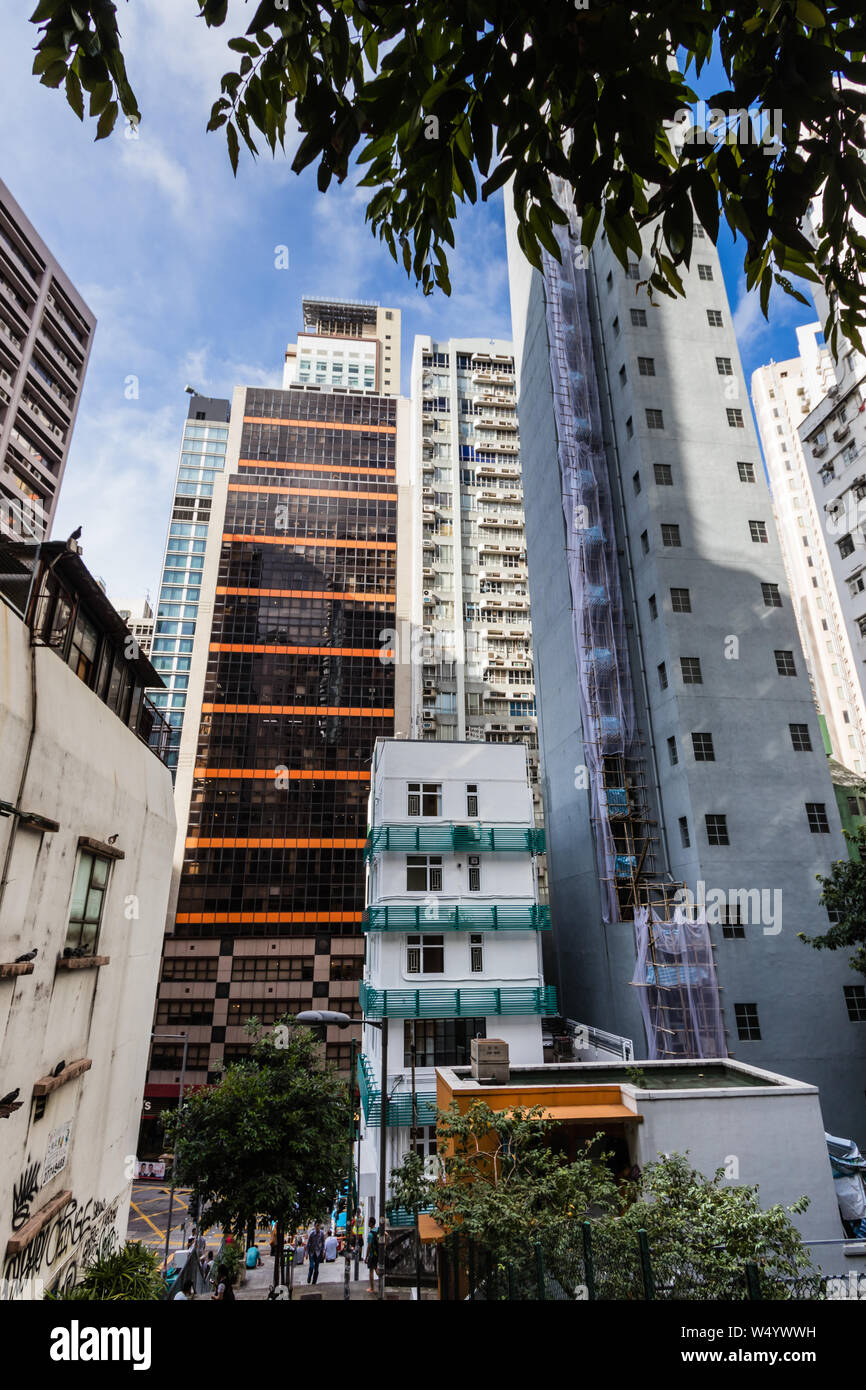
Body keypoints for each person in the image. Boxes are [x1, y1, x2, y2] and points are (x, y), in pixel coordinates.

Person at [365, 1218, 380, 1294]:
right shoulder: (378, 1230)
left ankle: (372, 1288)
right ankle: (382, 1282)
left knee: (371, 1271)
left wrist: (366, 1257)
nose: (368, 1223)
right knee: (376, 1268)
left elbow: (369, 1247)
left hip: (372, 1255)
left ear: (371, 1223)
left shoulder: (370, 1234)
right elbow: (386, 1235)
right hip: (377, 1254)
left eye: (368, 1222)